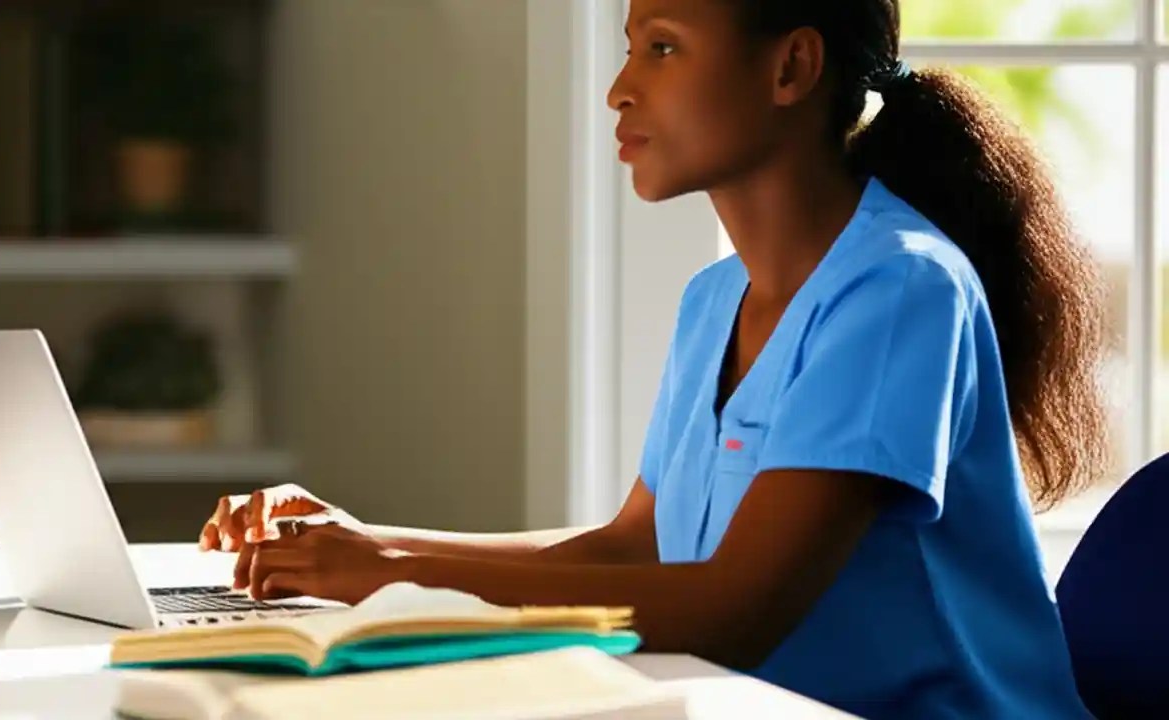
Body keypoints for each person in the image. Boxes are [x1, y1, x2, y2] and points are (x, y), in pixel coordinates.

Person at [200, 0, 1110, 716]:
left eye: (663, 49)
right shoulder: (716, 300)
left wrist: (398, 577)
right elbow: (631, 543)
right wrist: (371, 542)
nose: (619, 89)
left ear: (791, 67)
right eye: (630, 48)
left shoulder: (901, 289)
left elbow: (732, 613)